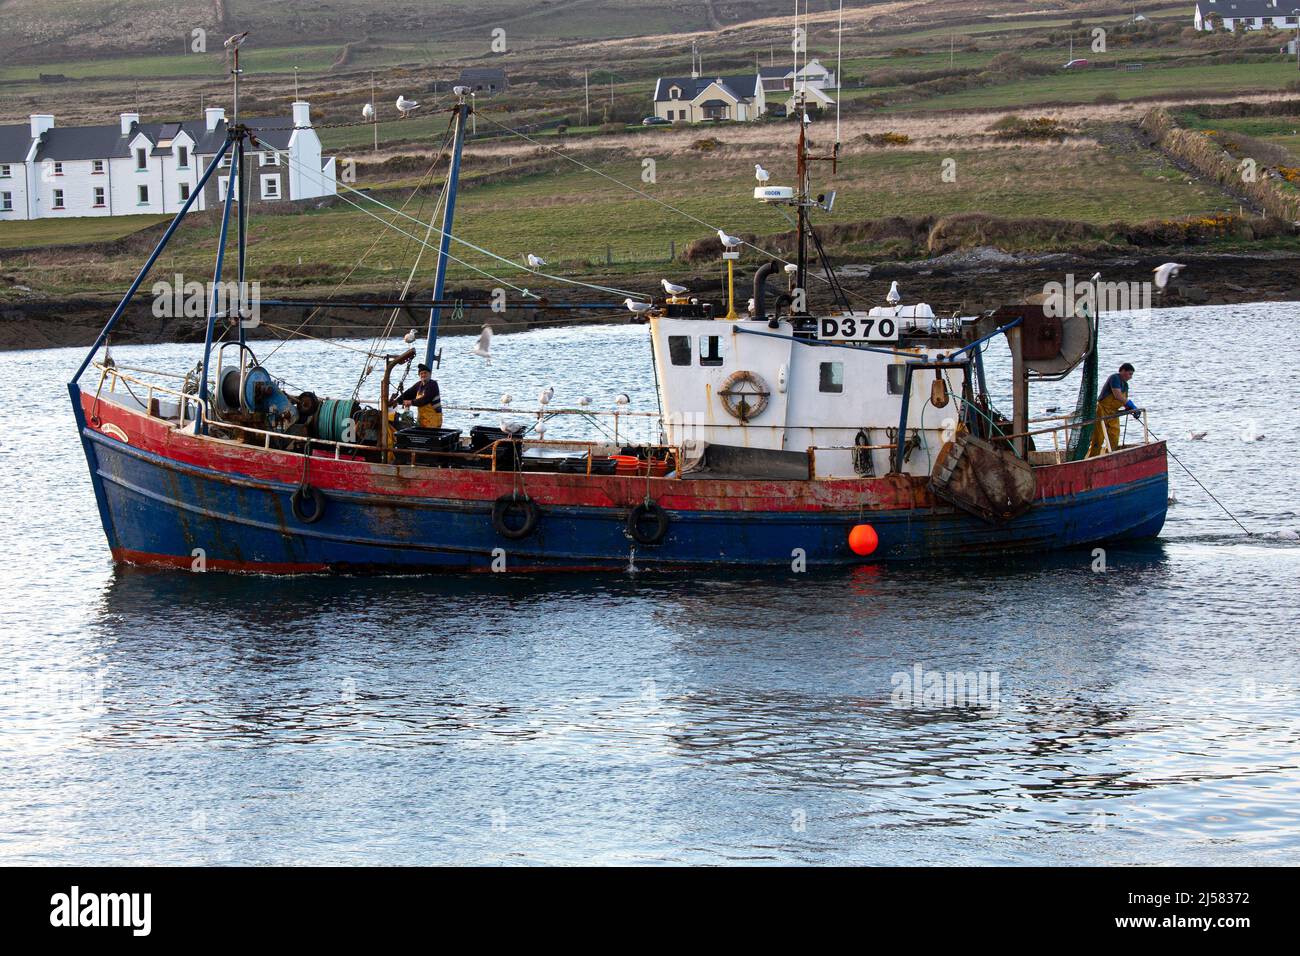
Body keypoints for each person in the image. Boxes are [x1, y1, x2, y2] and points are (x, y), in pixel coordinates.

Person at [1088, 362, 1140, 457]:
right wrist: (1131, 404)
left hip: (1113, 413)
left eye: (1132, 374)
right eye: (1129, 374)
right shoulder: (1115, 378)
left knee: (1114, 436)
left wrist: (1130, 409)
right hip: (1102, 410)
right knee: (1098, 438)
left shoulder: (1125, 385)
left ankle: (1109, 457)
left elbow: (1123, 400)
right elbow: (1117, 395)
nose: (1130, 377)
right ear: (1122, 371)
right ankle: (1092, 458)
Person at [393, 364, 442, 428]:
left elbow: (425, 400)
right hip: (422, 420)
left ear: (430, 374)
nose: (423, 375)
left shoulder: (433, 385)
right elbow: (408, 394)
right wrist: (396, 401)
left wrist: (410, 402)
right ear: (419, 375)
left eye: (425, 373)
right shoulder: (419, 385)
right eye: (421, 373)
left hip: (433, 420)